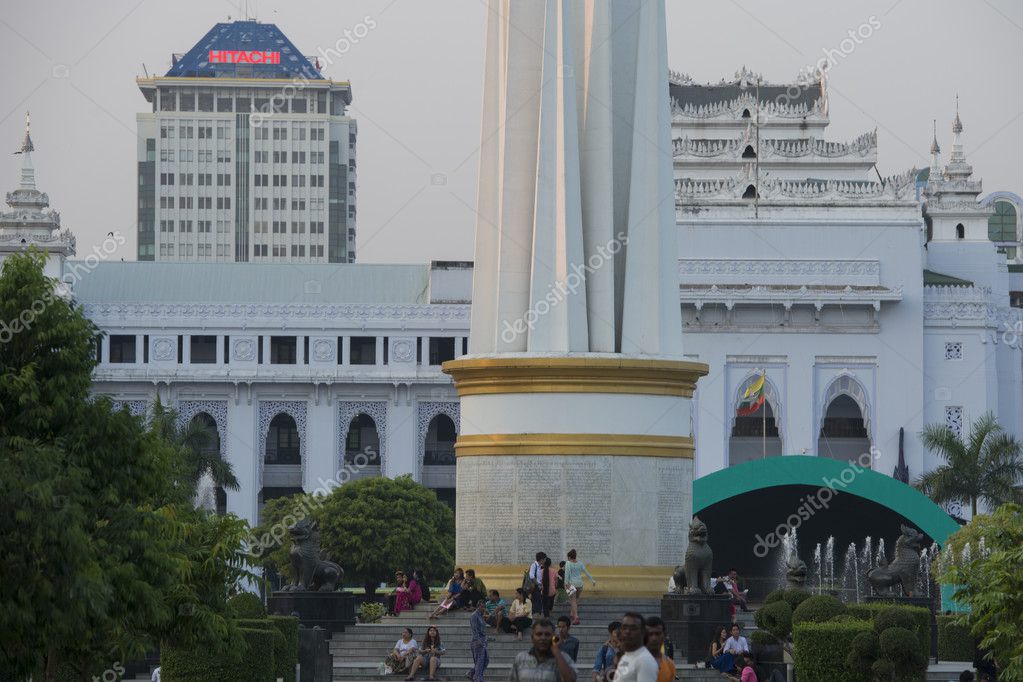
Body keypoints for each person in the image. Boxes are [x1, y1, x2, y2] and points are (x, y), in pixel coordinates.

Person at [508, 617, 577, 682]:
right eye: (539, 634)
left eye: (547, 634)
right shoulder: (520, 658)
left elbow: (571, 680)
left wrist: (556, 651)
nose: (543, 638)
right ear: (532, 638)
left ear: (553, 637)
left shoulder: (563, 658)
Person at [614, 612, 659, 682]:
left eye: (633, 628)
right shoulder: (626, 656)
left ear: (643, 632)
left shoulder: (644, 661)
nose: (627, 631)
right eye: (624, 627)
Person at [563, 549, 597, 625]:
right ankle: (572, 614)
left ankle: (576, 617)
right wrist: (592, 580)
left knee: (573, 600)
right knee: (576, 600)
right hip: (580, 584)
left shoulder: (568, 563)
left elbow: (567, 575)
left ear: (569, 557)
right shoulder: (580, 563)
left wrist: (565, 584)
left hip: (572, 584)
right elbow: (586, 572)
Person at [644, 616, 676, 682]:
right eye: (650, 634)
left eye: (657, 634)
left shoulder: (670, 665)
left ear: (664, 635)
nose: (654, 638)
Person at [469, 599, 489, 682]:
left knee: (486, 661)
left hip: (483, 641)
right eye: (482, 607)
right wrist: (478, 641)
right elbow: (474, 630)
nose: (483, 608)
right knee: (480, 662)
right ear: (478, 606)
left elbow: (483, 629)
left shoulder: (481, 615)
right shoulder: (474, 615)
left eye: (484, 607)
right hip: (477, 642)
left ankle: (471, 673)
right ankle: (478, 679)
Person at [528, 552, 546, 617]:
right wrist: (538, 584)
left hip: (539, 586)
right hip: (535, 586)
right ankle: (535, 615)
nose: (545, 560)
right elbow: (531, 576)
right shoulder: (534, 565)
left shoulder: (541, 566)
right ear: (541, 559)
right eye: (544, 559)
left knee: (539, 601)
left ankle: (537, 615)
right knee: (536, 601)